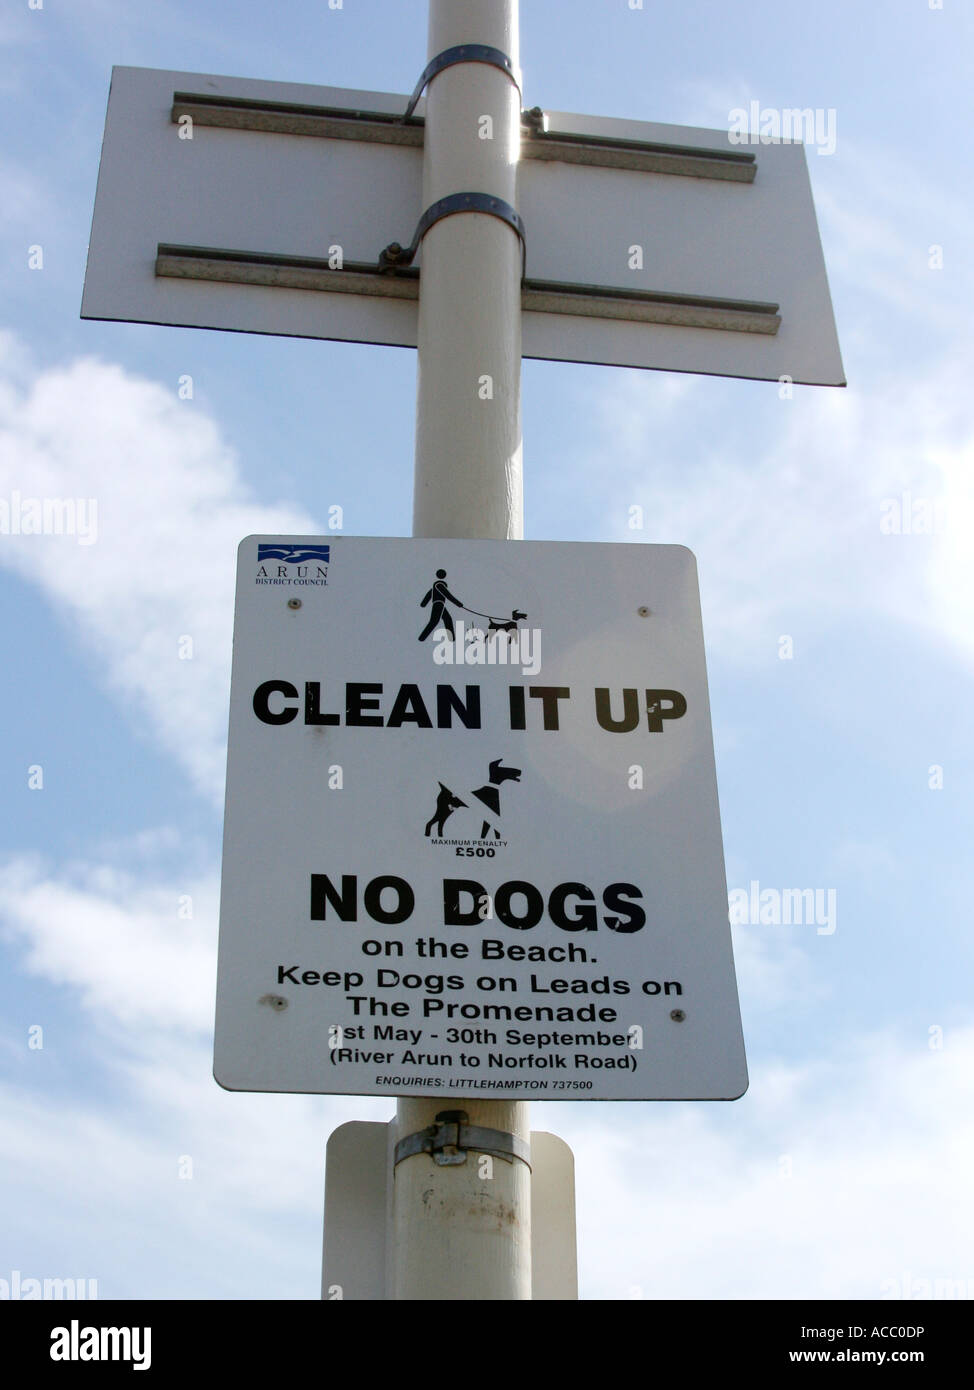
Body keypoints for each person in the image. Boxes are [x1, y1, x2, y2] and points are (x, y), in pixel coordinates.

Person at [418, 569, 463, 641]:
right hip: (439, 604)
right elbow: (448, 595)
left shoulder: (434, 588)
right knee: (434, 621)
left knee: (447, 619)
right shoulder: (439, 585)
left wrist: (423, 604)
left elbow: (428, 596)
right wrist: (459, 604)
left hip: (439, 605)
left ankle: (451, 637)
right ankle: (422, 638)